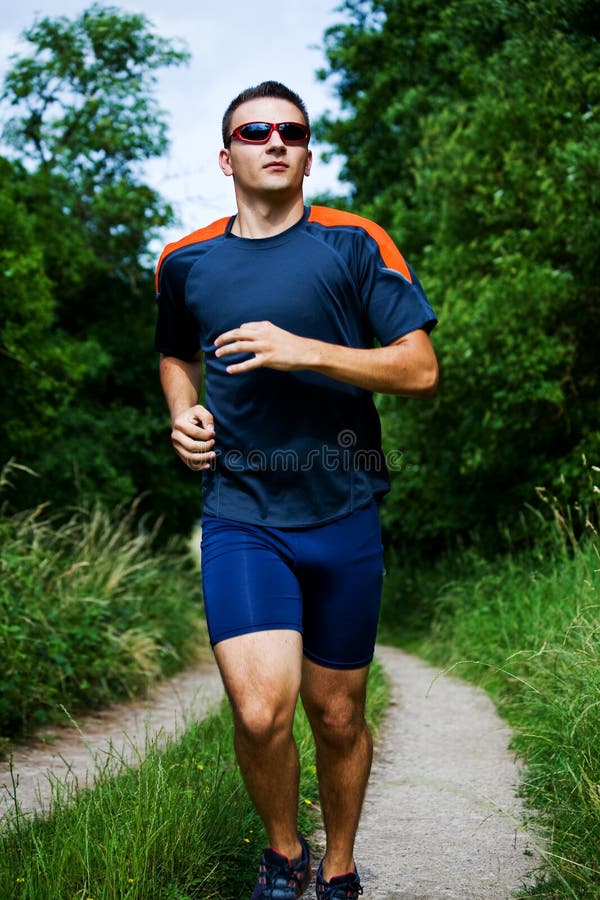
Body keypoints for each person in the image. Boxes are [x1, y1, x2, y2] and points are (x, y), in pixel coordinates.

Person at [154, 80, 438, 900]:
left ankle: (340, 864)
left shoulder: (355, 244)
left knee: (338, 716)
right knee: (258, 712)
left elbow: (419, 369)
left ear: (308, 152)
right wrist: (184, 412)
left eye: (292, 131)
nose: (274, 141)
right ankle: (285, 856)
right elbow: (176, 352)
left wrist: (304, 349)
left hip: (343, 511)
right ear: (227, 154)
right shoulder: (186, 261)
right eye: (256, 131)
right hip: (243, 513)